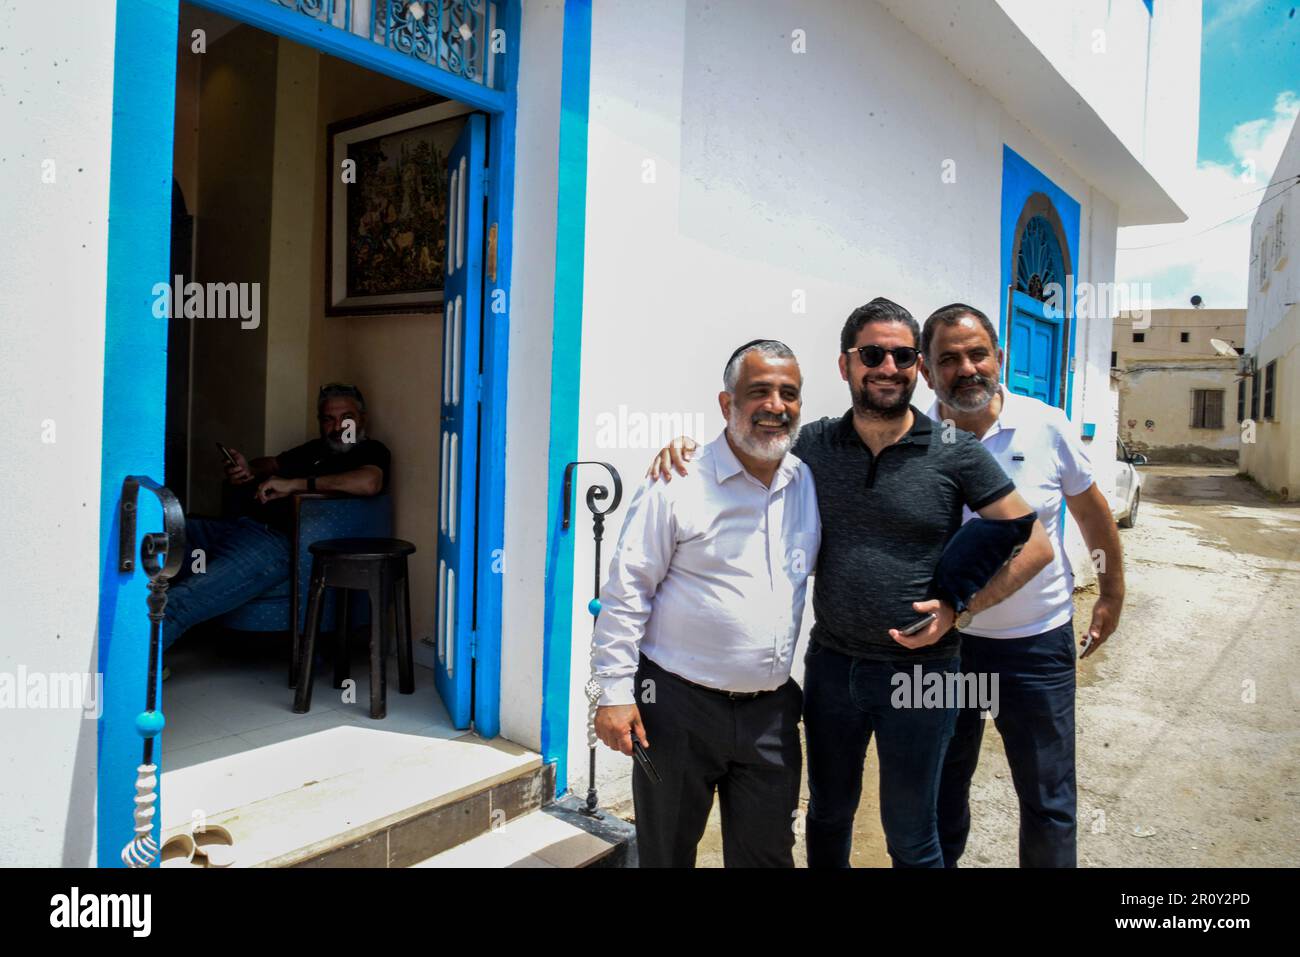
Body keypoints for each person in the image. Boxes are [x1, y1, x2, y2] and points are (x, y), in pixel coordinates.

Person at [648, 298, 1055, 867]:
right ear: (846, 365)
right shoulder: (810, 443)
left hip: (925, 673)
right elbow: (749, 434)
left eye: (903, 355)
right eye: (872, 354)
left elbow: (1029, 537)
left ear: (918, 366)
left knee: (913, 833)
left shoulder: (953, 449)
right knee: (828, 816)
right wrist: (684, 449)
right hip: (834, 669)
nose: (888, 367)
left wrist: (958, 608)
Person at [591, 340, 820, 867]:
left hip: (771, 713)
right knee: (667, 852)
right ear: (726, 404)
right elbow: (627, 593)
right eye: (758, 391)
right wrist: (613, 693)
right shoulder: (677, 481)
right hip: (674, 711)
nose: (775, 405)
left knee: (766, 856)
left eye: (789, 393)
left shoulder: (806, 481)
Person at [919, 303, 1125, 868]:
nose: (967, 369)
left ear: (999, 358)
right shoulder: (912, 443)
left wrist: (1110, 591)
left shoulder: (1046, 425)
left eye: (978, 353)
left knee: (1047, 799)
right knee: (939, 792)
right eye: (949, 359)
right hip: (949, 654)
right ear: (925, 371)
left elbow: (1090, 511)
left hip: (1036, 647)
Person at [162, 382, 391, 653]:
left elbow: (368, 483)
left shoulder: (370, 450)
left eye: (347, 418)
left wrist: (295, 484)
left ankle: (131, 677)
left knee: (181, 601)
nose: (338, 426)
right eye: (329, 419)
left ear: (362, 419)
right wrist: (247, 469)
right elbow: (268, 464)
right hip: (238, 528)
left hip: (275, 543)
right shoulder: (315, 450)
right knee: (162, 533)